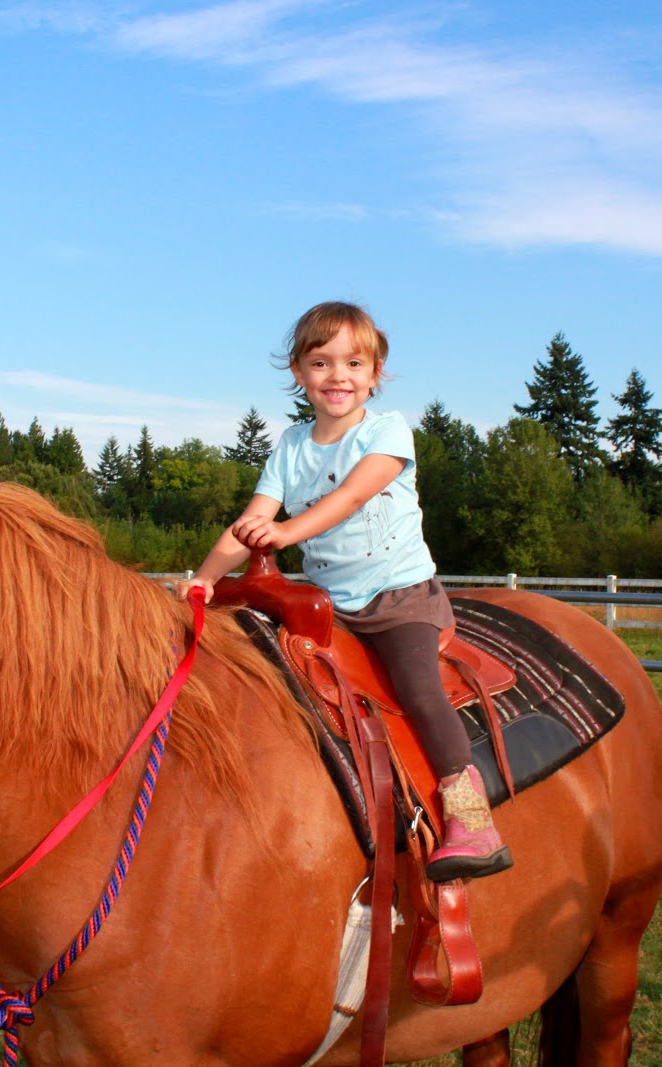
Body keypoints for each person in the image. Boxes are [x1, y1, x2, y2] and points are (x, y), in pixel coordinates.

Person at [177, 301, 512, 882]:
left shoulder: (386, 430)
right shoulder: (290, 446)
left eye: (354, 363)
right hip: (334, 605)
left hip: (399, 597)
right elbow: (251, 519)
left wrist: (283, 533)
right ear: (299, 372)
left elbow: (351, 497)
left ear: (375, 373)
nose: (339, 376)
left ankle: (472, 818)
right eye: (322, 362)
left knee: (417, 689)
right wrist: (206, 579)